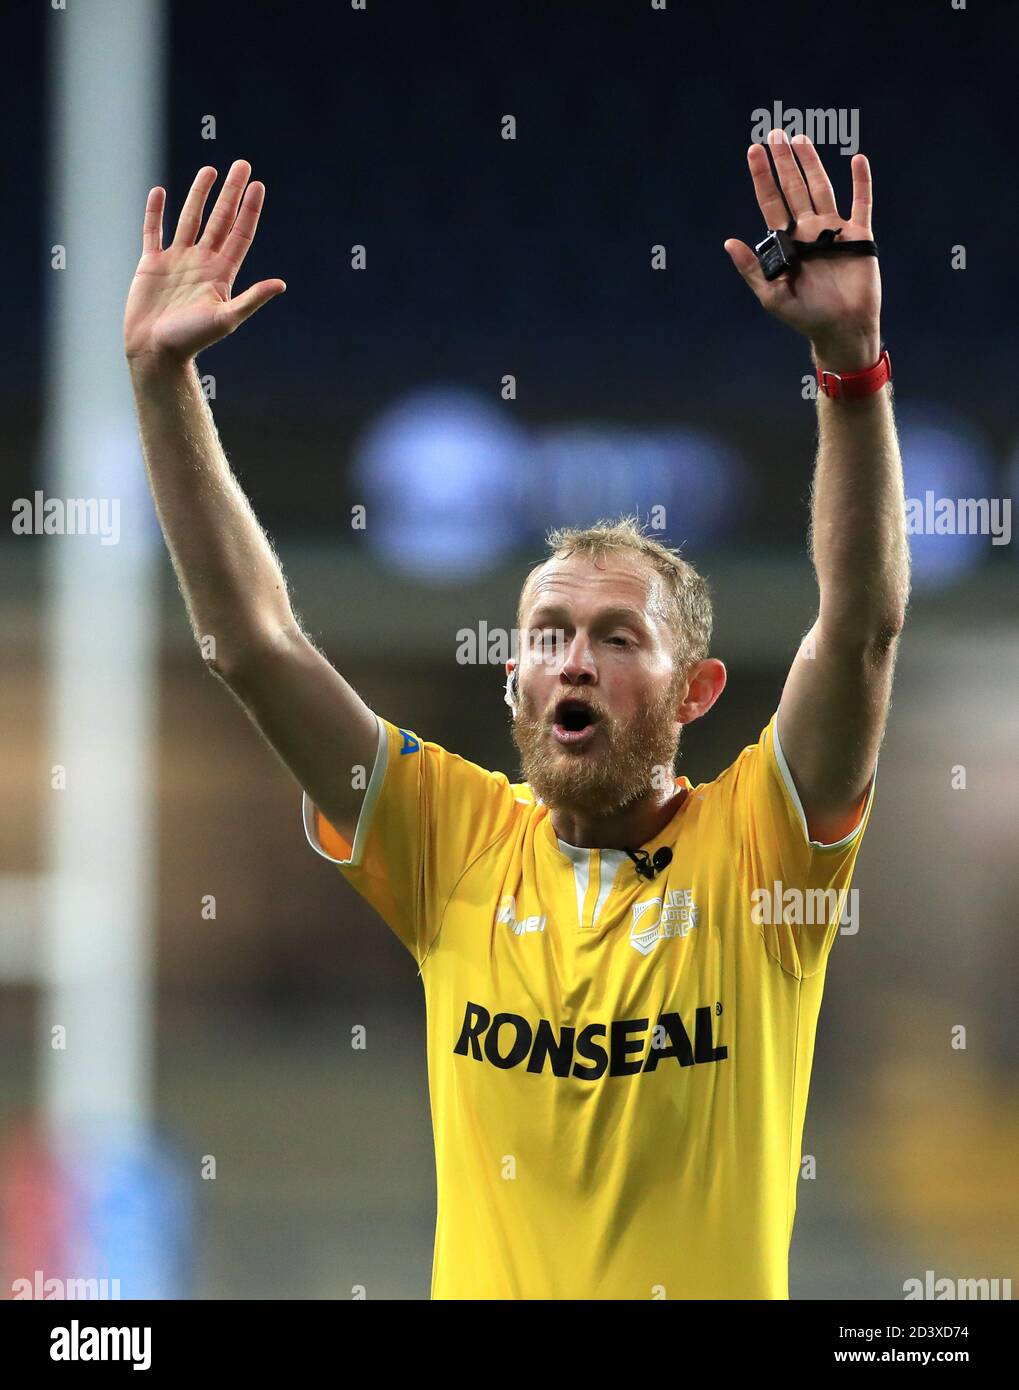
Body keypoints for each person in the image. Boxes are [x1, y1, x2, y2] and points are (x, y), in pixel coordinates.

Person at [124, 130, 909, 1299]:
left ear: (696, 691)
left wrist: (847, 365)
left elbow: (855, 626)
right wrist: (160, 384)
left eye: (615, 637)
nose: (571, 664)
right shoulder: (447, 839)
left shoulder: (763, 850)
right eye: (546, 636)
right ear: (511, 678)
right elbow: (251, 643)